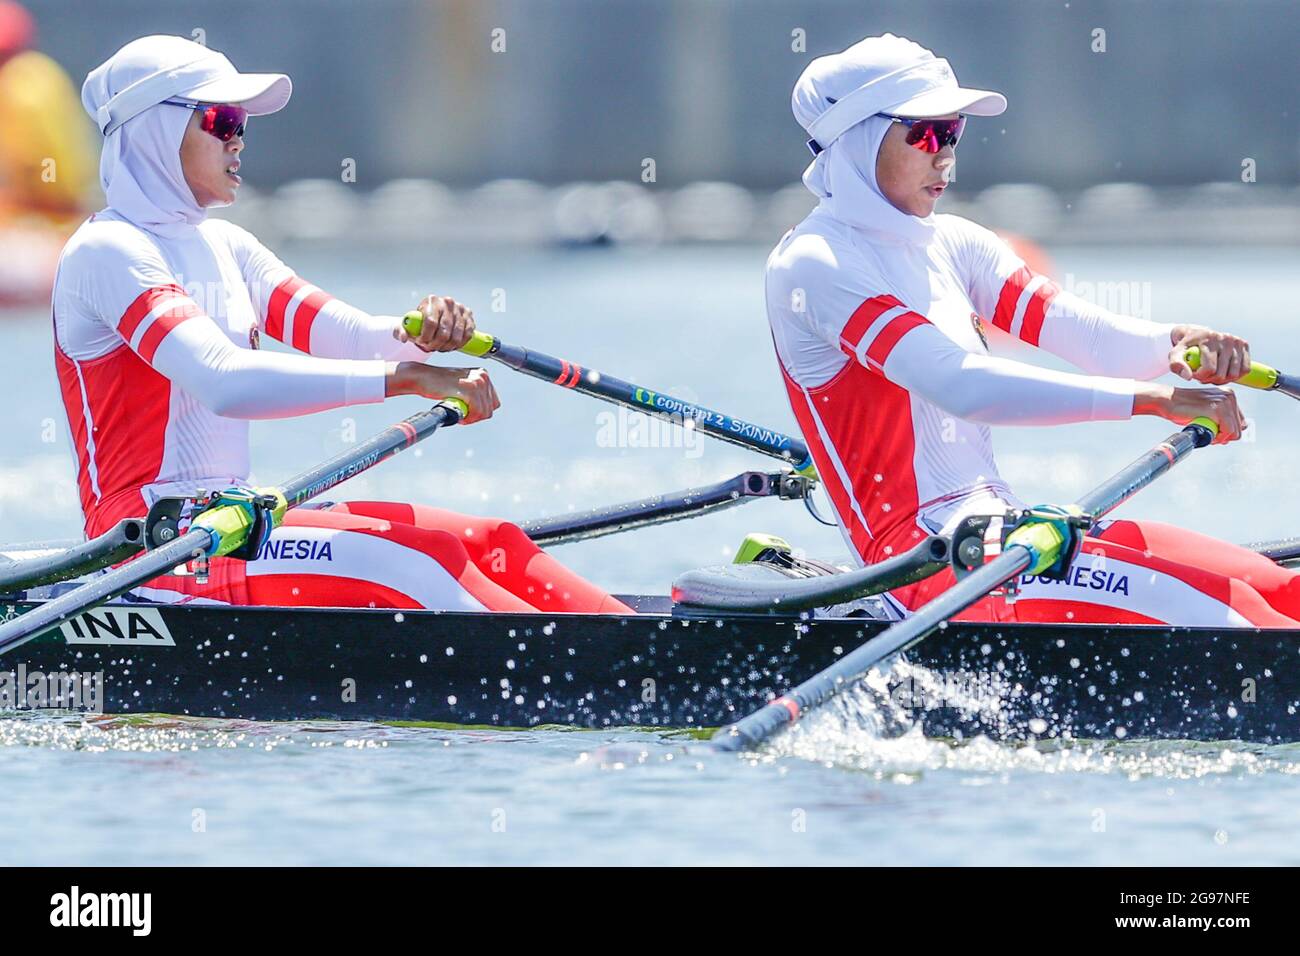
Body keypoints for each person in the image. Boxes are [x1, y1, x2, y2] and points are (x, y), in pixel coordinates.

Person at [55, 34, 630, 614]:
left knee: (484, 540)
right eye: (222, 120)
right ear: (154, 129)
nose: (238, 141)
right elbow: (225, 381)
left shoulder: (227, 246)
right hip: (149, 553)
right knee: (419, 561)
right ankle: (600, 687)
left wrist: (420, 332)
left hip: (236, 522)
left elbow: (351, 337)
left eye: (243, 125)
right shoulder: (107, 252)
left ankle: (640, 654)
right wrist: (407, 380)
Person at [765, 33, 1299, 627]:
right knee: (1250, 619)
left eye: (954, 132)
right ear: (857, 138)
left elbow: (1088, 336)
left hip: (1007, 537)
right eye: (924, 133)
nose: (945, 155)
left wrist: (1177, 344)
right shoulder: (816, 263)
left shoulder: (956, 243)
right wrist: (1152, 401)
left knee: (1285, 593)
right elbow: (961, 383)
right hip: (925, 571)